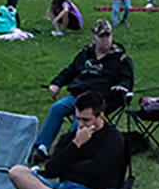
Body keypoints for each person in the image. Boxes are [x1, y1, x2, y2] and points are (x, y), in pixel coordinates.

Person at [11, 90, 126, 189]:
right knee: (16, 172)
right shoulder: (71, 137)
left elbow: (97, 171)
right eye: (77, 119)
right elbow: (51, 169)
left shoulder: (113, 139)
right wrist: (76, 144)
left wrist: (68, 166)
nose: (81, 124)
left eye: (86, 120)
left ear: (101, 116)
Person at [31, 19, 134, 161]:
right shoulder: (86, 54)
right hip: (78, 95)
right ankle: (41, 148)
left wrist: (122, 86)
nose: (105, 40)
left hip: (99, 99)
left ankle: (69, 150)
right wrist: (56, 83)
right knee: (57, 108)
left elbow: (127, 79)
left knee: (80, 117)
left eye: (108, 36)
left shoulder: (120, 59)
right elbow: (70, 71)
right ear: (94, 38)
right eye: (101, 37)